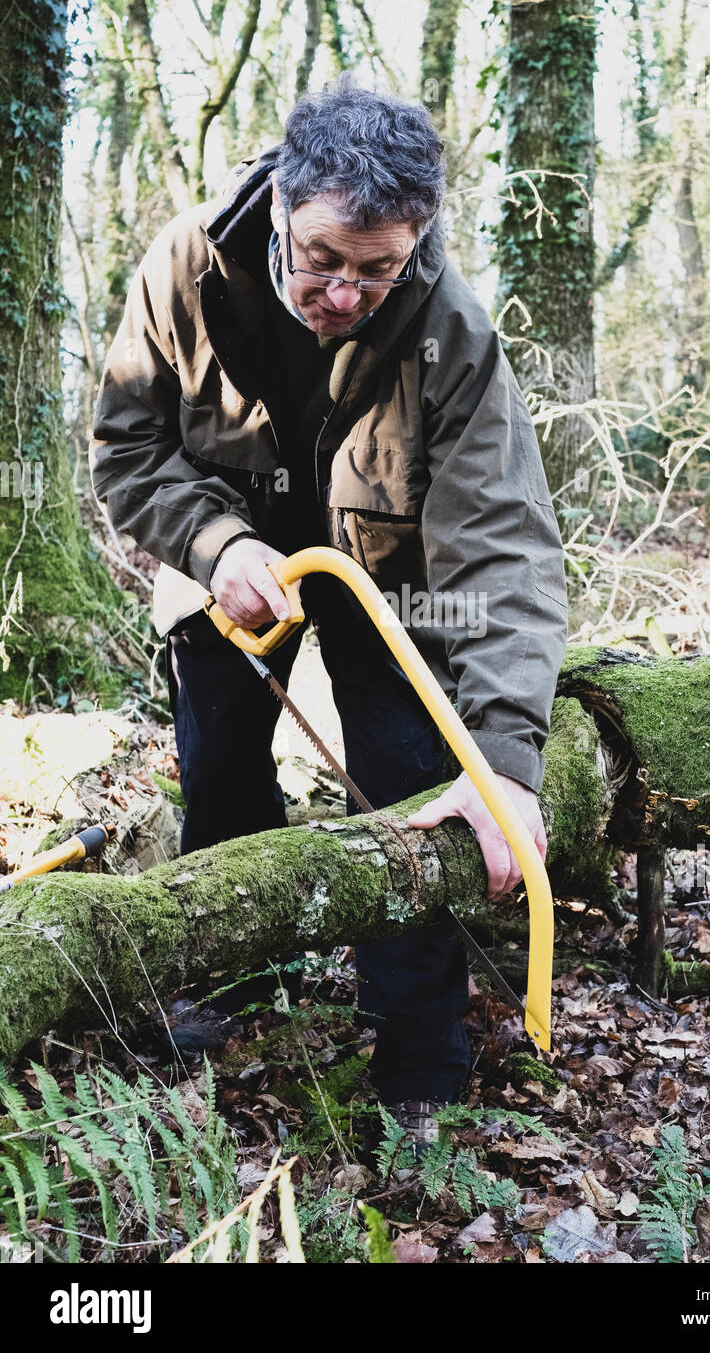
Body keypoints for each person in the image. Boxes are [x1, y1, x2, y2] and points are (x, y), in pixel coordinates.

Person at [90, 78, 568, 1145]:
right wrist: (214, 547)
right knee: (216, 756)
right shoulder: (184, 268)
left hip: (387, 569)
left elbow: (502, 545)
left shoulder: (449, 325)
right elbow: (128, 448)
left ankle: (418, 1058)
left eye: (376, 269)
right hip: (222, 551)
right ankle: (230, 984)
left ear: (418, 238)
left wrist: (501, 756)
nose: (346, 292)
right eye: (322, 259)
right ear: (279, 210)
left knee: (412, 775)